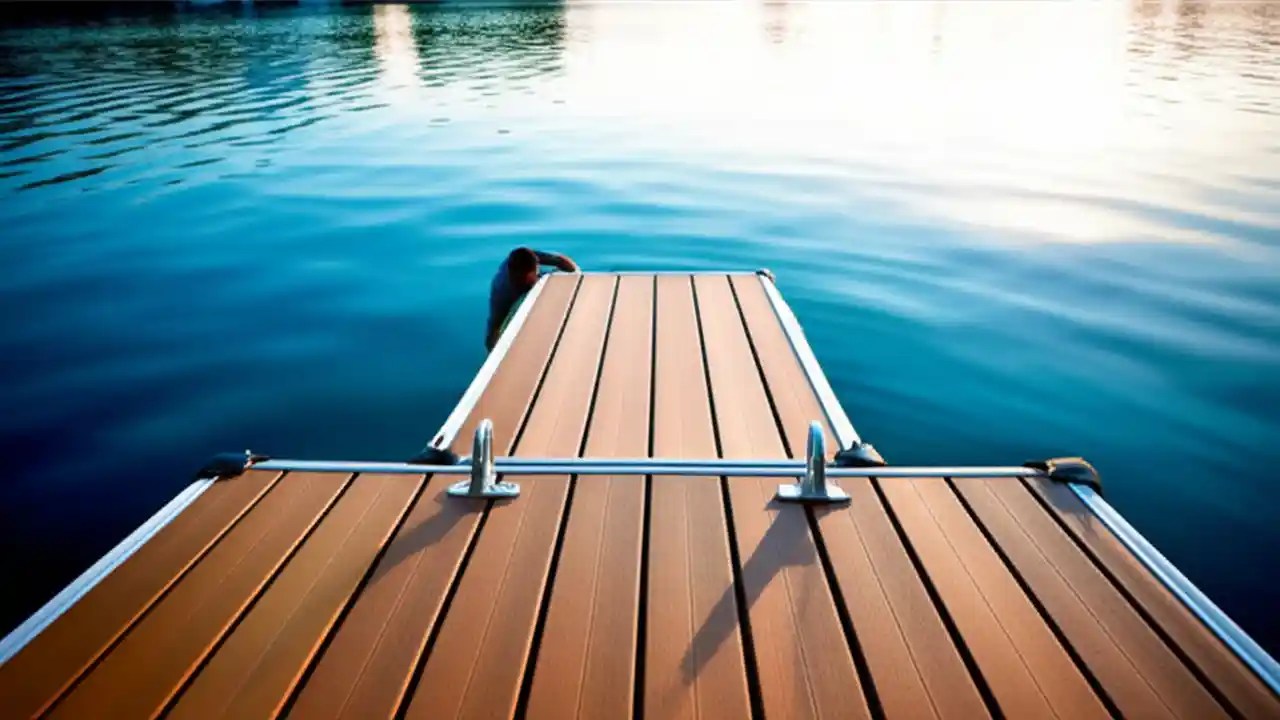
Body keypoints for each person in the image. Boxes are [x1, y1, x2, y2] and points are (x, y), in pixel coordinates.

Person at [486, 247, 579, 350]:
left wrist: (576, 276)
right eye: (524, 281)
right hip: (512, 291)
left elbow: (565, 263)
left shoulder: (532, 258)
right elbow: (493, 331)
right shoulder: (502, 293)